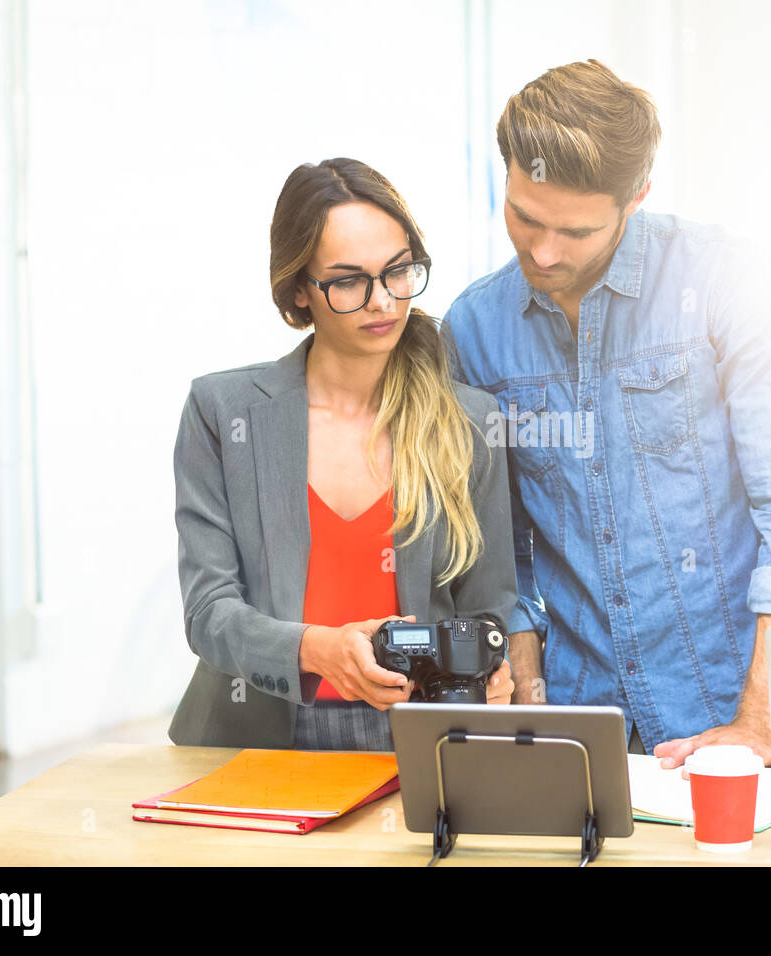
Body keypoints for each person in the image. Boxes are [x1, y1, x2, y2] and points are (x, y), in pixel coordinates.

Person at [440, 60, 771, 767]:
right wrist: (526, 689)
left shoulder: (732, 281)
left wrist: (760, 722)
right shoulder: (472, 328)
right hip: (573, 719)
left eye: (576, 232)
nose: (542, 250)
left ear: (637, 199)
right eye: (524, 216)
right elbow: (503, 543)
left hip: (727, 709)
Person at [169, 157, 517, 751]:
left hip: (418, 732)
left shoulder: (471, 423)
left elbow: (490, 605)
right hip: (254, 734)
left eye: (399, 272)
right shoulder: (221, 412)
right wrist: (315, 650)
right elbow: (209, 612)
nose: (383, 301)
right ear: (300, 292)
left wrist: (494, 668)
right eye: (349, 281)